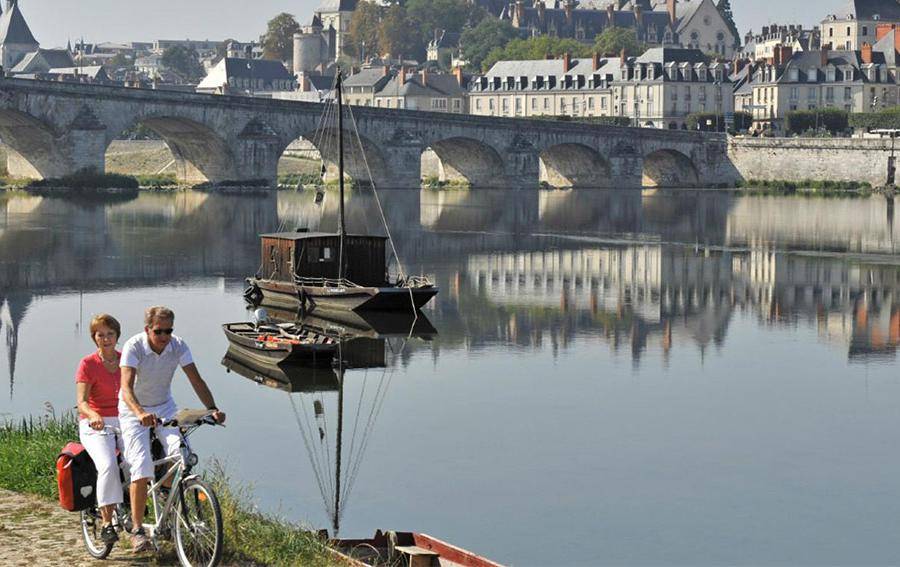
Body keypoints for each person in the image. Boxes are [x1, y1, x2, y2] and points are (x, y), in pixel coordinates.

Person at [119, 306, 225, 553]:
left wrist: (212, 408)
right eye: (159, 331)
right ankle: (137, 530)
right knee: (142, 466)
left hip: (165, 407)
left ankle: (167, 499)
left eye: (169, 331)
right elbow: (126, 388)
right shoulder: (134, 346)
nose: (165, 336)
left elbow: (196, 380)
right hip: (133, 410)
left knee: (179, 454)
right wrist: (139, 413)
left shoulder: (177, 345)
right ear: (148, 329)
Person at [75, 313, 125, 548]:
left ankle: (135, 518)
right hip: (95, 422)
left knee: (138, 461)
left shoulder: (126, 360)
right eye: (100, 335)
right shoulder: (88, 364)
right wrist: (94, 416)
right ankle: (107, 523)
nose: (106, 339)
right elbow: (82, 402)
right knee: (107, 464)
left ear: (117, 336)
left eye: (110, 334)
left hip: (124, 419)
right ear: (94, 338)